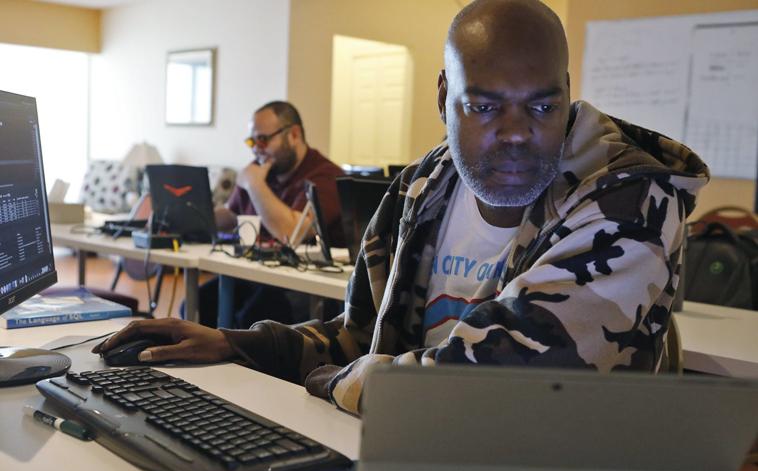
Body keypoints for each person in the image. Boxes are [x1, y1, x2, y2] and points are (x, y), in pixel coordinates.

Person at [97, 0, 709, 416]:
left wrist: (326, 385)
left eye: (543, 107)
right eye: (485, 107)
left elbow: (498, 386)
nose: (517, 133)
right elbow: (359, 338)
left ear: (569, 94)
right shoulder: (423, 187)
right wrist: (235, 345)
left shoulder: (632, 202)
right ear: (444, 96)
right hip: (413, 459)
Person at [187, 101, 345, 327]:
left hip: (305, 284)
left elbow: (291, 233)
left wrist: (255, 185)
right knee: (196, 305)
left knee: (251, 319)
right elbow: (231, 215)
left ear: (294, 135)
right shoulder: (261, 170)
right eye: (252, 141)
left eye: (262, 139)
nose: (256, 149)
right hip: (259, 273)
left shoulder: (325, 176)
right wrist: (189, 217)